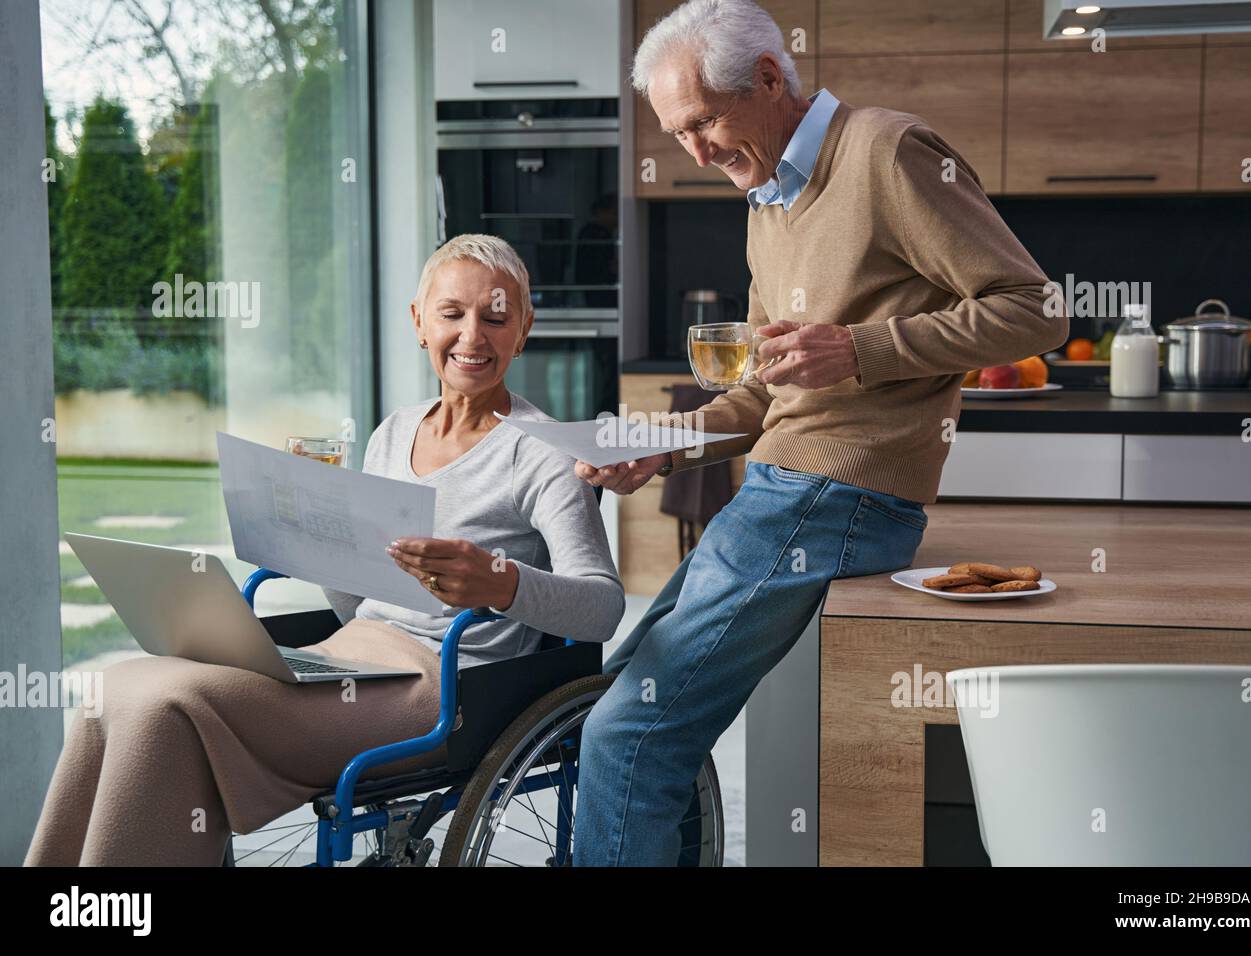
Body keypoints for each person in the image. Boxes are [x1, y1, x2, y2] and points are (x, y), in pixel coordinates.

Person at [570, 0, 1066, 866]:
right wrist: (665, 444)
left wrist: (861, 348)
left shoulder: (888, 151)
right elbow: (763, 397)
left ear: (769, 80)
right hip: (781, 486)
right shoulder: (766, 199)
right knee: (625, 698)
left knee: (626, 733)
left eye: (704, 122)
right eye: (676, 133)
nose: (695, 152)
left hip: (839, 493)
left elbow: (1037, 310)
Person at [25, 234, 623, 866]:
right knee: (119, 684)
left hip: (444, 688)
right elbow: (357, 603)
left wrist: (501, 583)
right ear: (419, 323)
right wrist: (311, 533)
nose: (472, 336)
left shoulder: (546, 453)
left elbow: (603, 608)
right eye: (452, 313)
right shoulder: (394, 432)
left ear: (523, 329)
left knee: (167, 704)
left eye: (496, 317)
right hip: (353, 655)